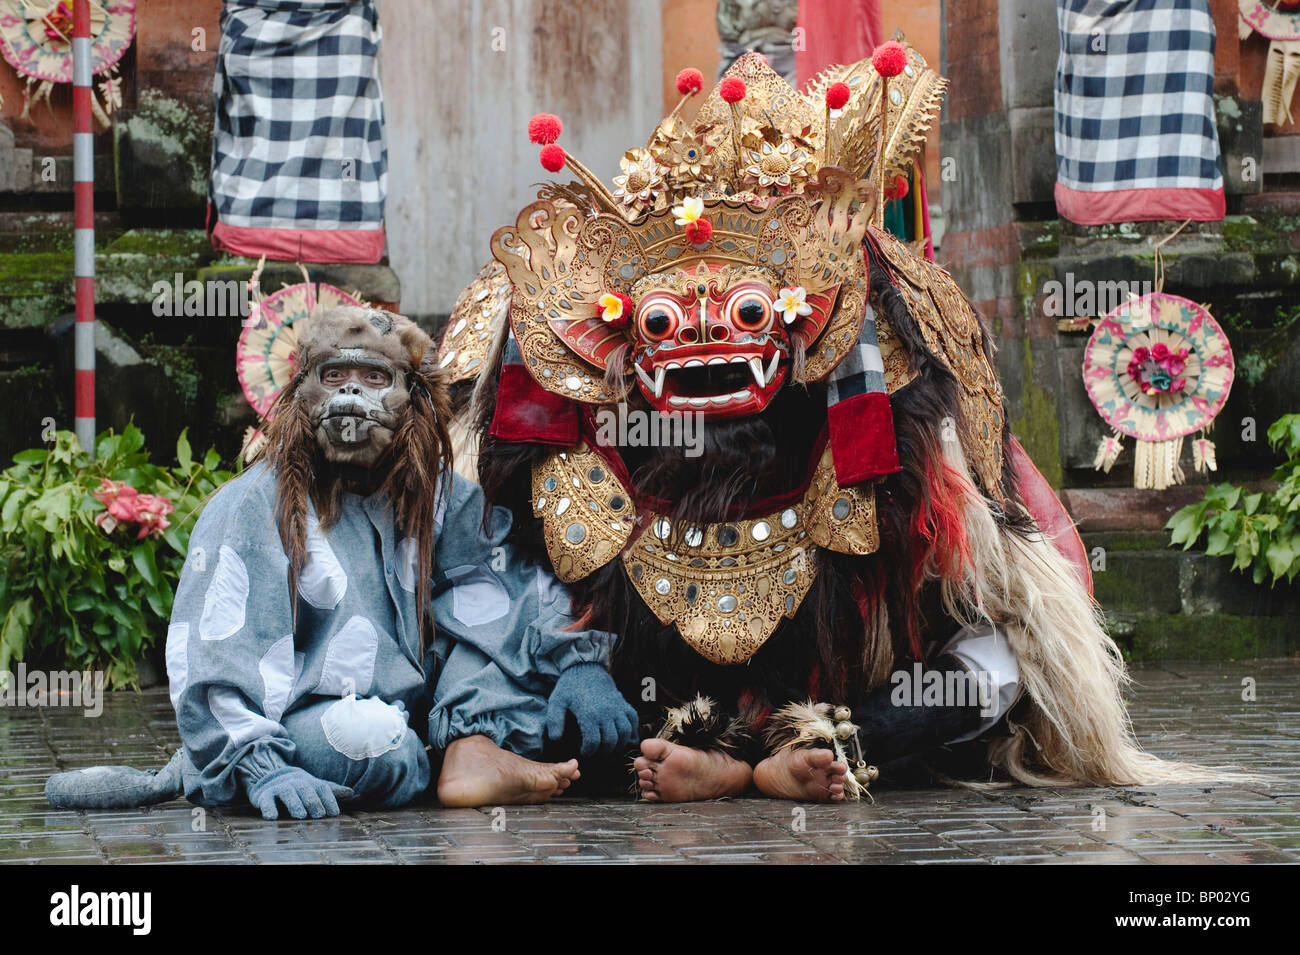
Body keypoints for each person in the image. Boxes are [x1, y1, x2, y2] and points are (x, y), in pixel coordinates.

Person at [46, 306, 637, 818]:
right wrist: (259, 767)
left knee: (517, 666)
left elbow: (510, 581)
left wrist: (578, 665)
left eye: (373, 378)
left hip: (421, 704)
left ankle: (468, 751)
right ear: (303, 394)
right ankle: (227, 767)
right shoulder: (255, 504)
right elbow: (217, 654)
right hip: (310, 721)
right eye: (335, 377)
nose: (351, 396)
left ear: (413, 400)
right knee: (374, 742)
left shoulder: (439, 500)